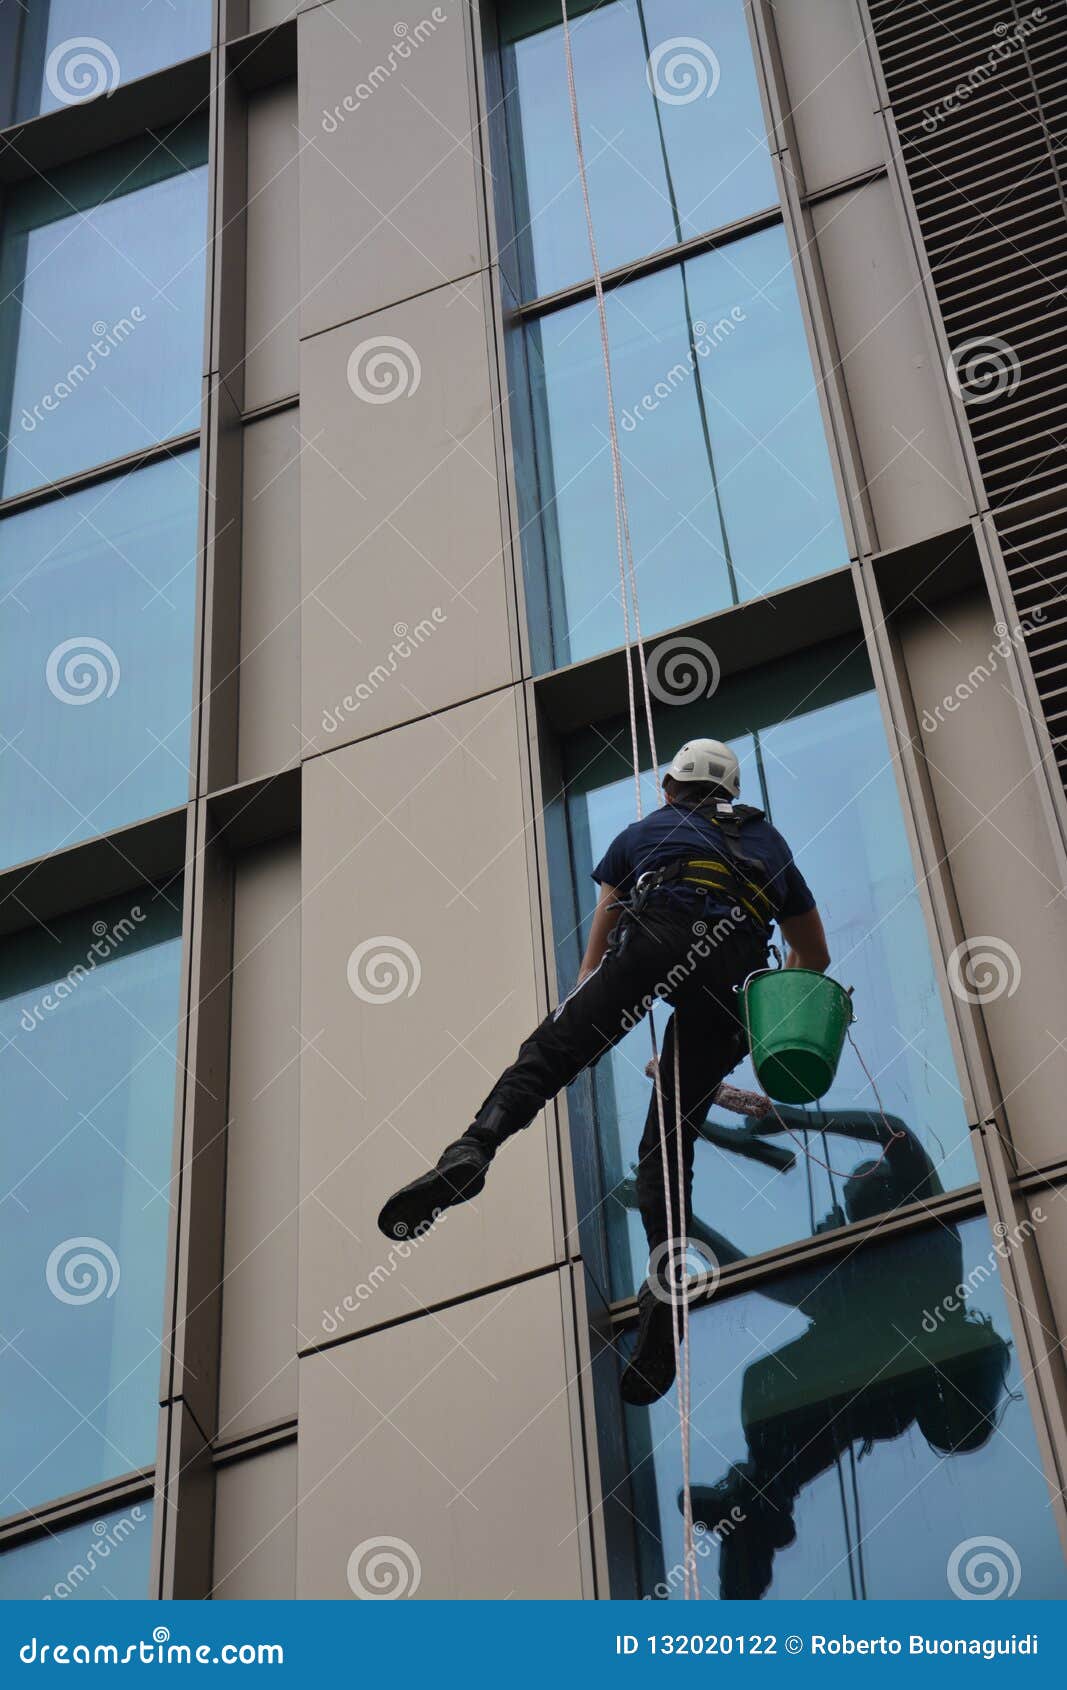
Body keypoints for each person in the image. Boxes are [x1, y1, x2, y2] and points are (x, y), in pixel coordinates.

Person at [377, 737, 829, 1403]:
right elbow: (811, 954)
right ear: (729, 793)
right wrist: (767, 1013)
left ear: (672, 788)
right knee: (667, 1149)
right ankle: (664, 1280)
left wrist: (598, 1003)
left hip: (659, 935)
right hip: (735, 977)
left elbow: (597, 955)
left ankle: (473, 1149)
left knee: (549, 1055)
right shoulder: (772, 844)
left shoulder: (641, 832)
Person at [672, 1112, 1013, 1599]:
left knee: (773, 1400)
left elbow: (893, 1130)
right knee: (774, 1407)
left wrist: (792, 1118)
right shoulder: (881, 1268)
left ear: (889, 1198)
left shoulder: (923, 1237)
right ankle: (754, 1507)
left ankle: (755, 1508)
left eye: (855, 1201)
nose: (845, 1205)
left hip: (875, 1389)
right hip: (865, 1397)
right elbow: (762, 1278)